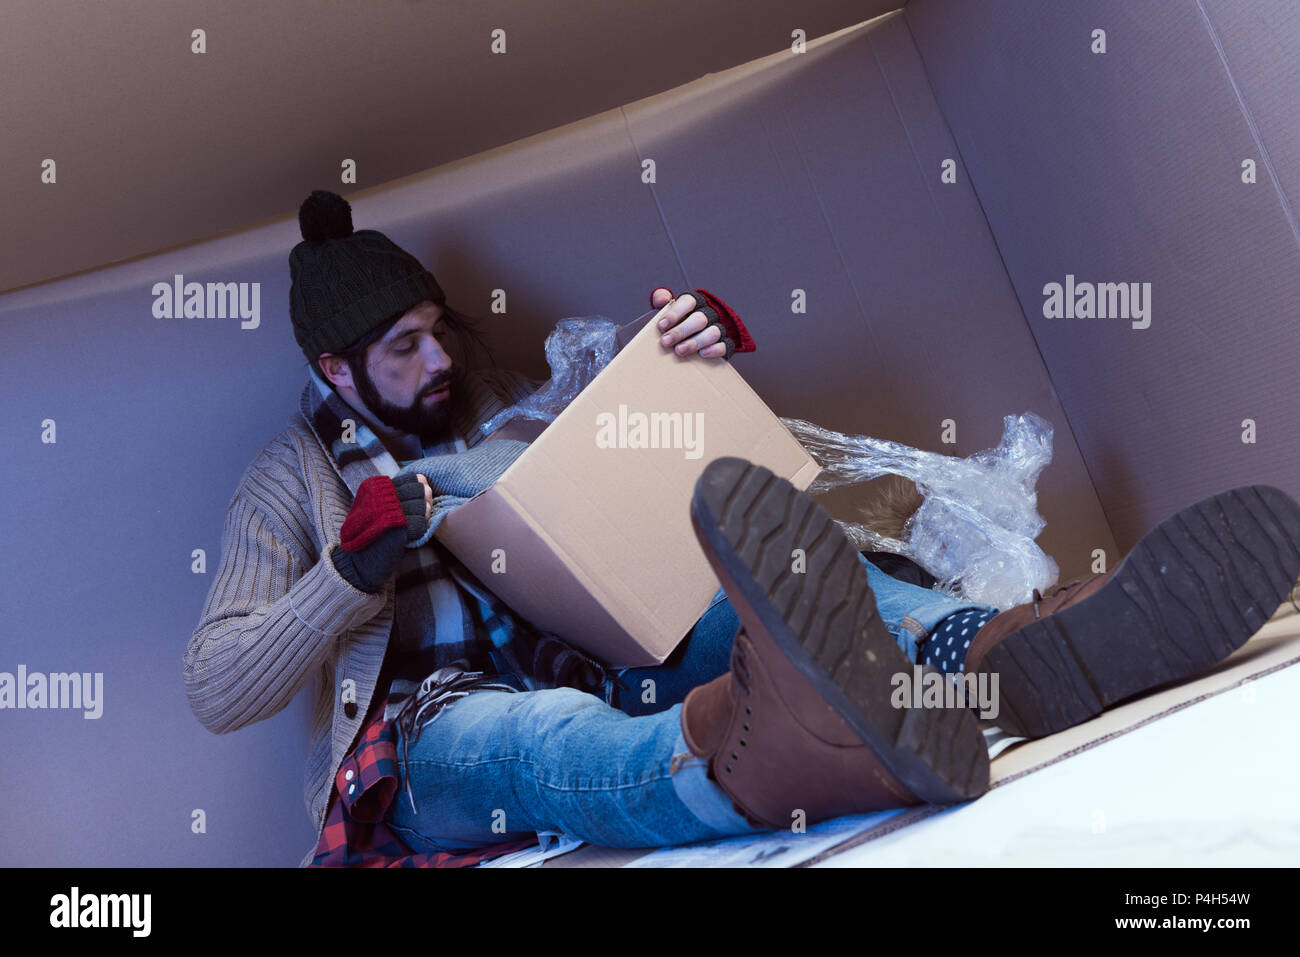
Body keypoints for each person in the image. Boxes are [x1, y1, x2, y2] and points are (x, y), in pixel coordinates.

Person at [185, 189, 1300, 866]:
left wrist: (680, 373)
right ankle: (750, 760)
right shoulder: (286, 483)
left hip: (617, 651)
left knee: (751, 599)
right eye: (400, 350)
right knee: (536, 739)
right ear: (333, 368)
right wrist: (346, 569)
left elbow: (619, 482)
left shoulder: (496, 402)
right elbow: (217, 684)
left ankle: (1008, 654)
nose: (436, 362)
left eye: (437, 330)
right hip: (436, 737)